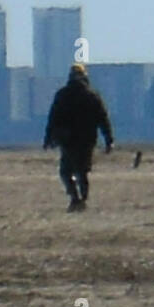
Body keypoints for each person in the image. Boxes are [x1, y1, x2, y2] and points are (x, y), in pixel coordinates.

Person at [43, 63, 113, 212]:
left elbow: (53, 118)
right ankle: (82, 200)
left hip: (68, 141)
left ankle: (75, 198)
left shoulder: (62, 94)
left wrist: (48, 138)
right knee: (82, 171)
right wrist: (109, 139)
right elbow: (103, 119)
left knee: (66, 172)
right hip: (87, 140)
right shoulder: (92, 95)